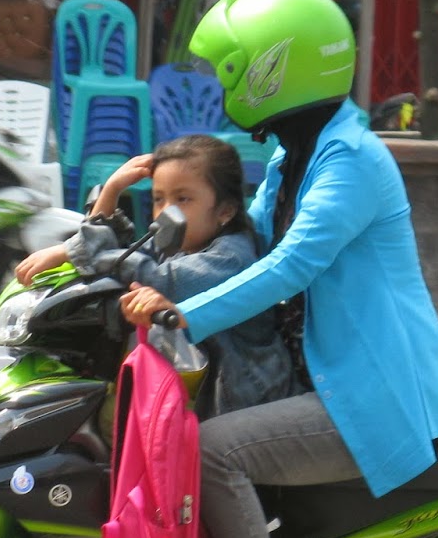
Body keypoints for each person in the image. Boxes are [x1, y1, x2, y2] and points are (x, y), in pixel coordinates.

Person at [117, 0, 438, 538]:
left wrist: (183, 312)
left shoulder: (352, 162)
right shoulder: (293, 157)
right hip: (321, 380)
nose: (219, 85)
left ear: (273, 69)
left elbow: (289, 268)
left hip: (368, 394)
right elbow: (237, 237)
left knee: (213, 453)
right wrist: (136, 205)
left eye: (229, 69)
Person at [15, 134, 292, 420]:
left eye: (183, 199)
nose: (167, 211)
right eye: (159, 199)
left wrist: (74, 248)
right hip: (196, 389)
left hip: (242, 397)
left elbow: (150, 276)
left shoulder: (231, 256)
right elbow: (124, 251)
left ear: (225, 210)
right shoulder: (178, 242)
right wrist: (111, 193)